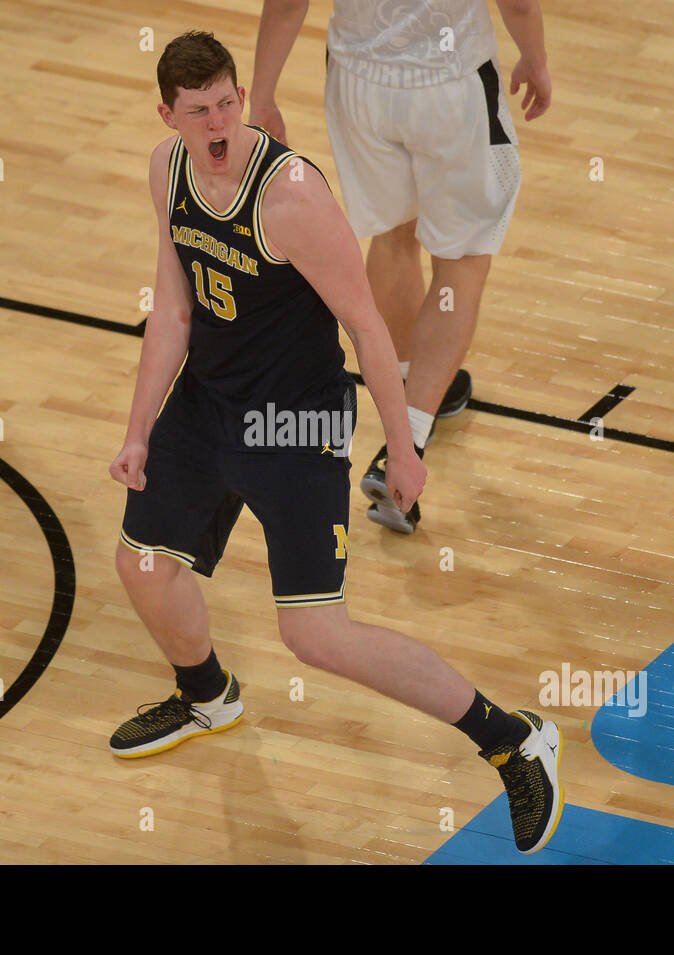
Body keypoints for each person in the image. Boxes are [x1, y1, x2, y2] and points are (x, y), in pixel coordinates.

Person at [107, 31, 562, 854]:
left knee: (316, 637)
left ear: (241, 99)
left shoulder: (288, 197)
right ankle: (208, 693)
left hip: (296, 425)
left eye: (227, 103)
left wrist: (405, 443)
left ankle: (513, 739)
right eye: (197, 110)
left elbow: (364, 326)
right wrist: (137, 431)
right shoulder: (166, 170)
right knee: (141, 564)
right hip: (209, 404)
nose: (216, 123)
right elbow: (172, 308)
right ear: (167, 113)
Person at [250, 0, 551, 533]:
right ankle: (406, 439)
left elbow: (289, 2)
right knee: (462, 261)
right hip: (450, 84)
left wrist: (265, 92)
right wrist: (536, 59)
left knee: (392, 238)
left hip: (357, 81)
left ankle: (415, 384)